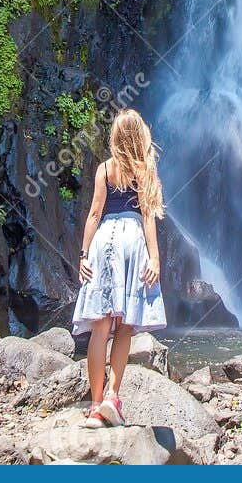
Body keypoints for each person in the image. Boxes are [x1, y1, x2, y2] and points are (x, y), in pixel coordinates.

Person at [72, 108, 166, 427]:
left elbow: (94, 214)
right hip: (132, 241)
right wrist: (154, 258)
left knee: (101, 325)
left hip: (104, 242)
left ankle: (95, 403)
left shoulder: (105, 169)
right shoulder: (144, 170)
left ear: (115, 137)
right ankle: (113, 396)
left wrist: (84, 254)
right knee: (124, 326)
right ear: (140, 137)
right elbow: (149, 216)